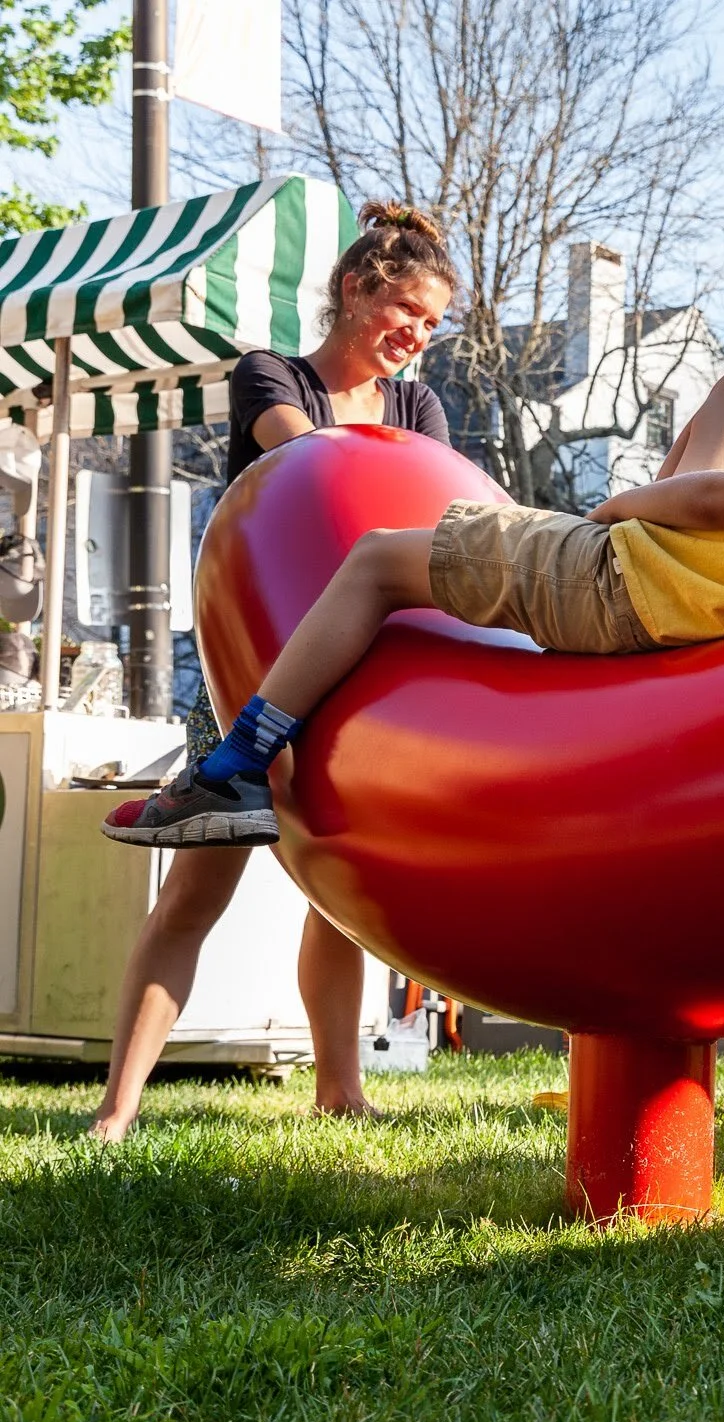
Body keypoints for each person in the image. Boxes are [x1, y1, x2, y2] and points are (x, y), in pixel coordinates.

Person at [101, 284, 724, 849]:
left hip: (624, 578)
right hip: (687, 599)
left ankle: (233, 768)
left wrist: (627, 503)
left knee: (375, 563)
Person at [90, 202, 458, 1140]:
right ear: (354, 290)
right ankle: (116, 1109)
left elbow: (436, 508)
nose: (416, 338)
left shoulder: (416, 406)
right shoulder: (270, 375)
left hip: (359, 681)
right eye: (406, 312)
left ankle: (339, 1088)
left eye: (431, 325)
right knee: (197, 892)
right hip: (253, 667)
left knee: (337, 896)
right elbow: (307, 463)